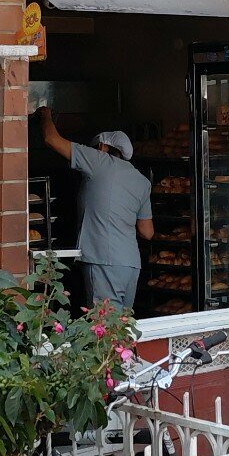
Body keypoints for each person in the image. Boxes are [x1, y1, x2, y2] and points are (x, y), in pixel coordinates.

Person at [37, 107, 154, 311]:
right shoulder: (142, 181)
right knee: (122, 323)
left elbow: (51, 139)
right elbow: (147, 232)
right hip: (131, 264)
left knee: (104, 323)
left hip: (103, 259)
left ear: (102, 147)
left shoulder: (99, 160)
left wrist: (45, 114)